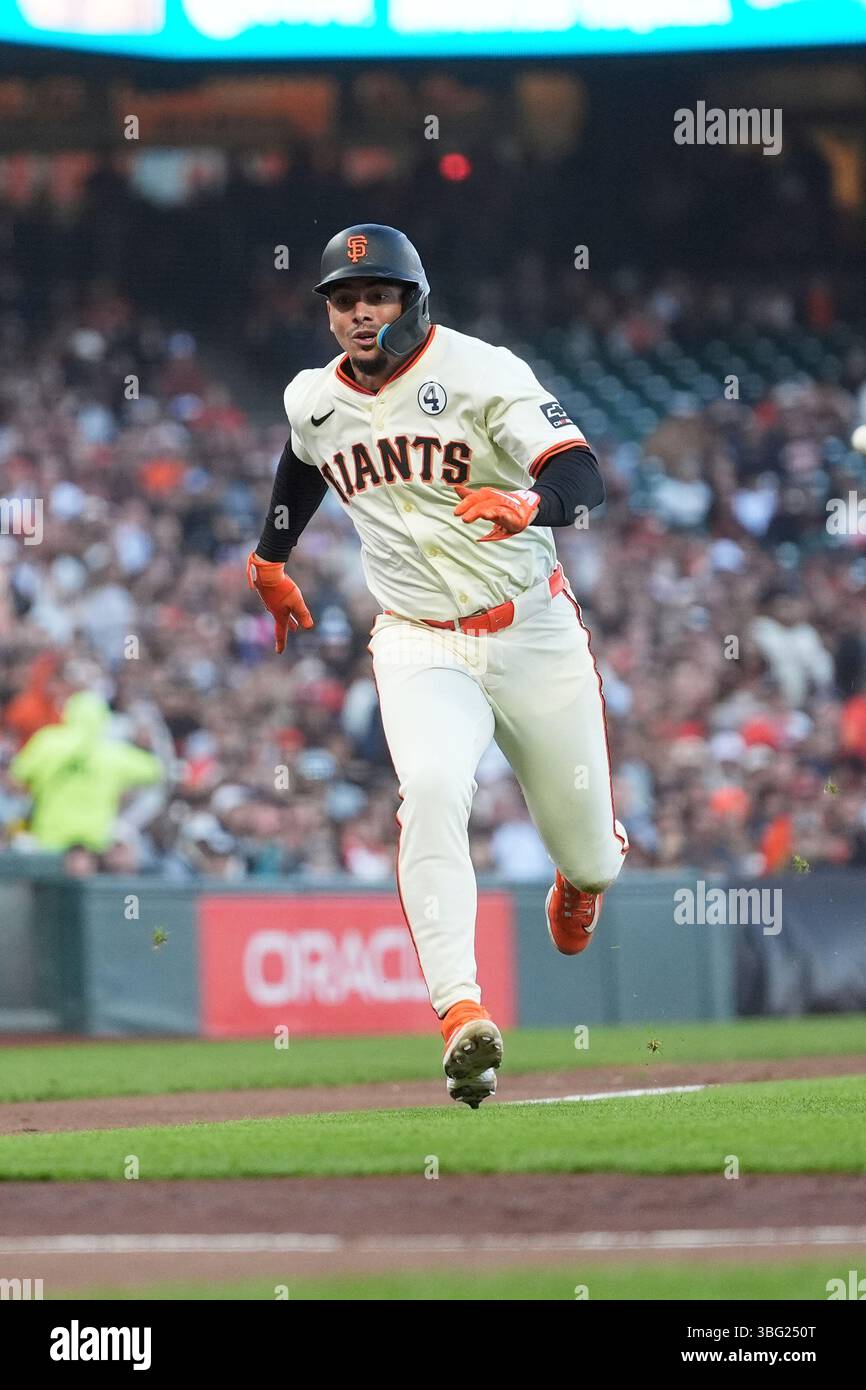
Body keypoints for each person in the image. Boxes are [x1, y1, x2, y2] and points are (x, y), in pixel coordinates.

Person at [248, 224, 628, 1106]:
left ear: (414, 300)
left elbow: (585, 475)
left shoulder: (480, 370)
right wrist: (270, 558)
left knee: (594, 854)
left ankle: (581, 876)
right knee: (431, 785)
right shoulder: (312, 396)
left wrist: (532, 500)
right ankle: (462, 1013)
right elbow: (303, 463)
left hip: (531, 627)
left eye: (375, 295)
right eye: (344, 301)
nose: (358, 313)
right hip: (419, 637)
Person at [9, 690, 164, 855]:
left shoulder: (48, 741)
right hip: (94, 840)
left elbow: (17, 776)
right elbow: (157, 770)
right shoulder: (115, 752)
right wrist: (153, 734)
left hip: (50, 836)